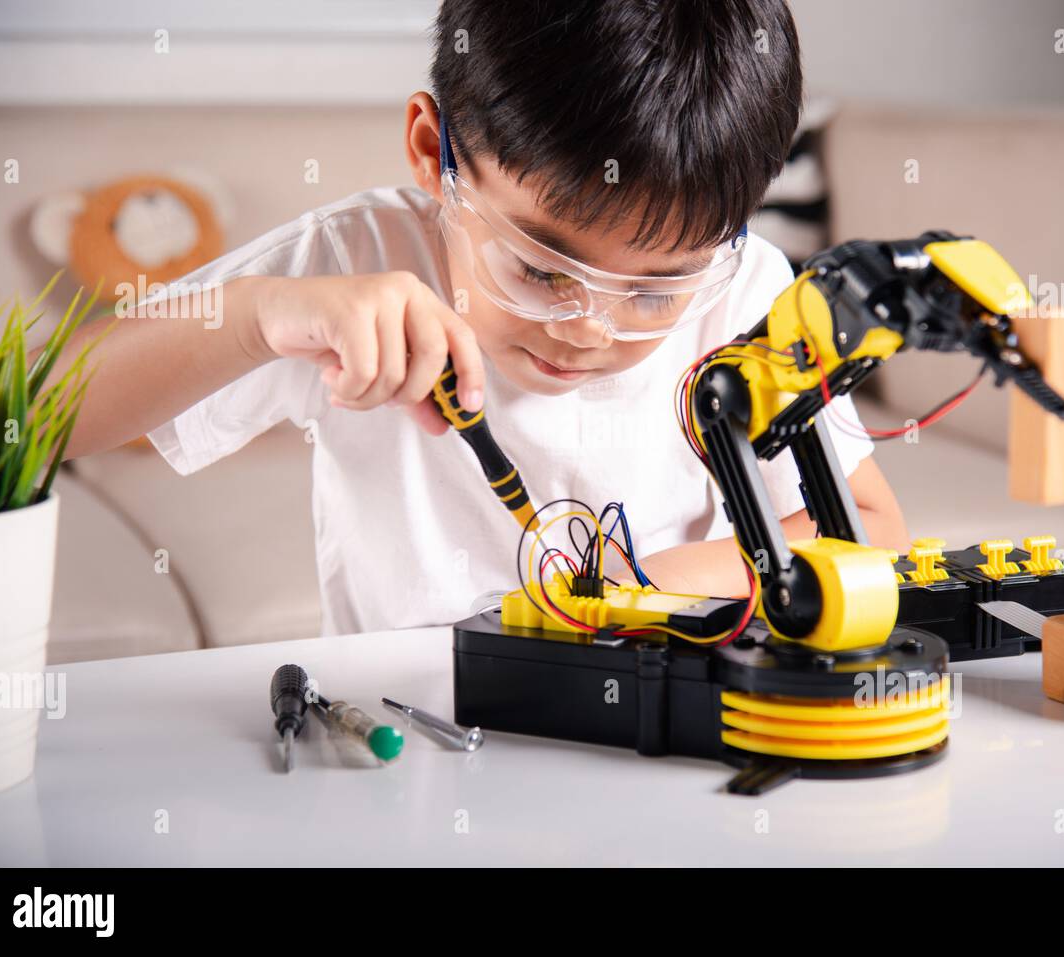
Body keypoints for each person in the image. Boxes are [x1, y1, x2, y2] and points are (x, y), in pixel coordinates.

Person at [58, 0, 907, 635]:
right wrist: (256, 318)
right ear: (435, 153)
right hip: (415, 740)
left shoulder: (745, 289)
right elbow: (23, 417)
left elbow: (870, 527)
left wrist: (636, 586)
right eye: (539, 268)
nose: (590, 328)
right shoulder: (357, 260)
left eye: (653, 292)